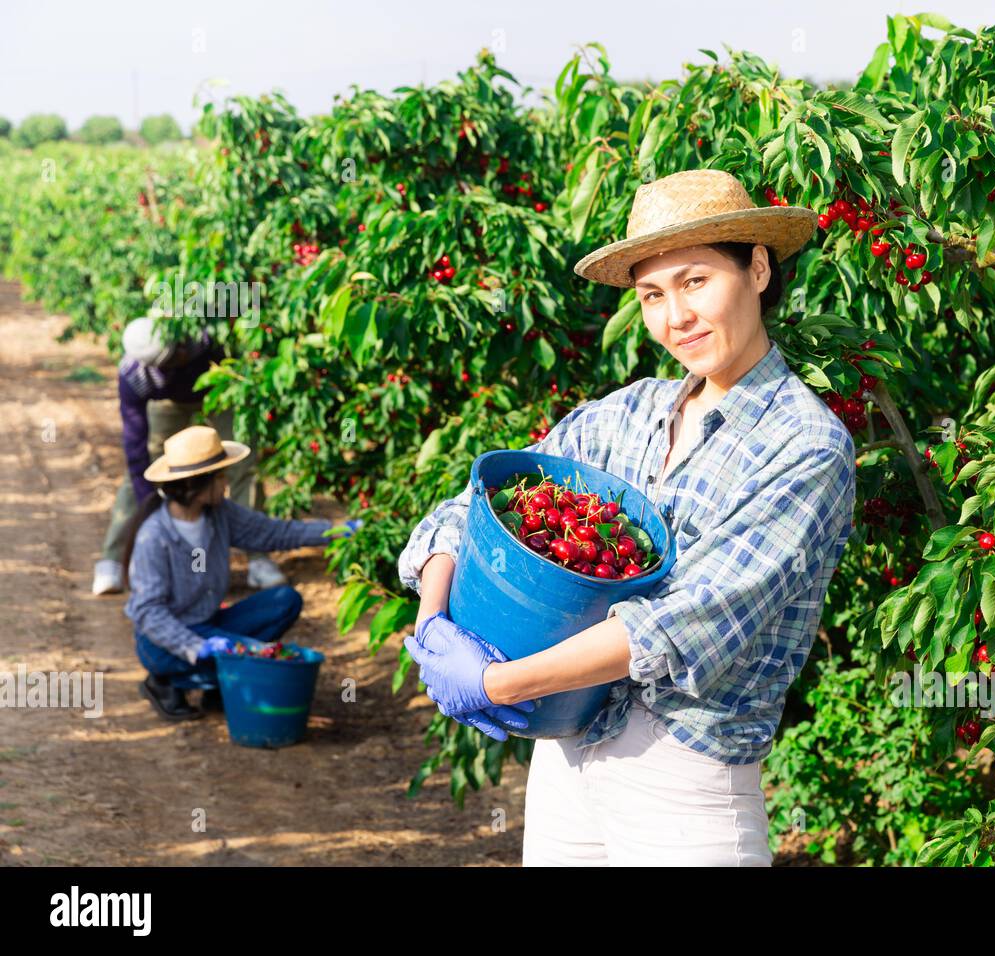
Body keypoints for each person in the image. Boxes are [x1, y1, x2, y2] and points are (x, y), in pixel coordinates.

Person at [397, 168, 858, 865]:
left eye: (697, 281)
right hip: (566, 759)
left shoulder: (805, 445)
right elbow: (470, 510)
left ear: (758, 268)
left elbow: (683, 624)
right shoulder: (628, 414)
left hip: (685, 785)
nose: (676, 317)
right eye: (652, 294)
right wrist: (435, 621)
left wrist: (494, 685)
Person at [122, 424, 359, 721]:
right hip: (164, 640)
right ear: (197, 485)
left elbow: (275, 533)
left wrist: (338, 531)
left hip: (209, 623)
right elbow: (148, 612)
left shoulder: (221, 515)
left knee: (284, 601)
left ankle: (215, 679)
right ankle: (167, 682)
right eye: (220, 476)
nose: (226, 483)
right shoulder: (154, 537)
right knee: (247, 654)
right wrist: (196, 646)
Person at [93, 316, 287, 595]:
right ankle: (112, 561)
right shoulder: (134, 376)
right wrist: (152, 513)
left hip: (218, 391)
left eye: (181, 351)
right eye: (173, 359)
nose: (182, 355)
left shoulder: (201, 335)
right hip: (168, 401)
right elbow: (135, 448)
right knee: (146, 467)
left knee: (244, 467)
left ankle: (258, 560)